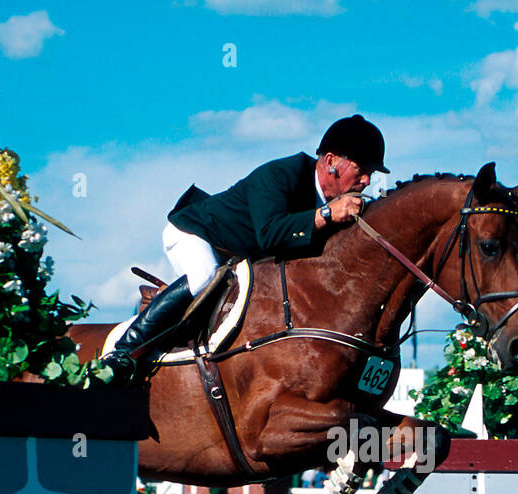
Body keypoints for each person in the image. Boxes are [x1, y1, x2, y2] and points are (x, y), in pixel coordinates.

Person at [102, 114, 390, 384]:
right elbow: (269, 235)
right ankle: (123, 351)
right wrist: (326, 215)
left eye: (371, 173)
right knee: (204, 276)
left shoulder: (334, 201)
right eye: (362, 170)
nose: (366, 181)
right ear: (330, 161)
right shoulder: (281, 175)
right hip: (196, 233)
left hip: (236, 258)